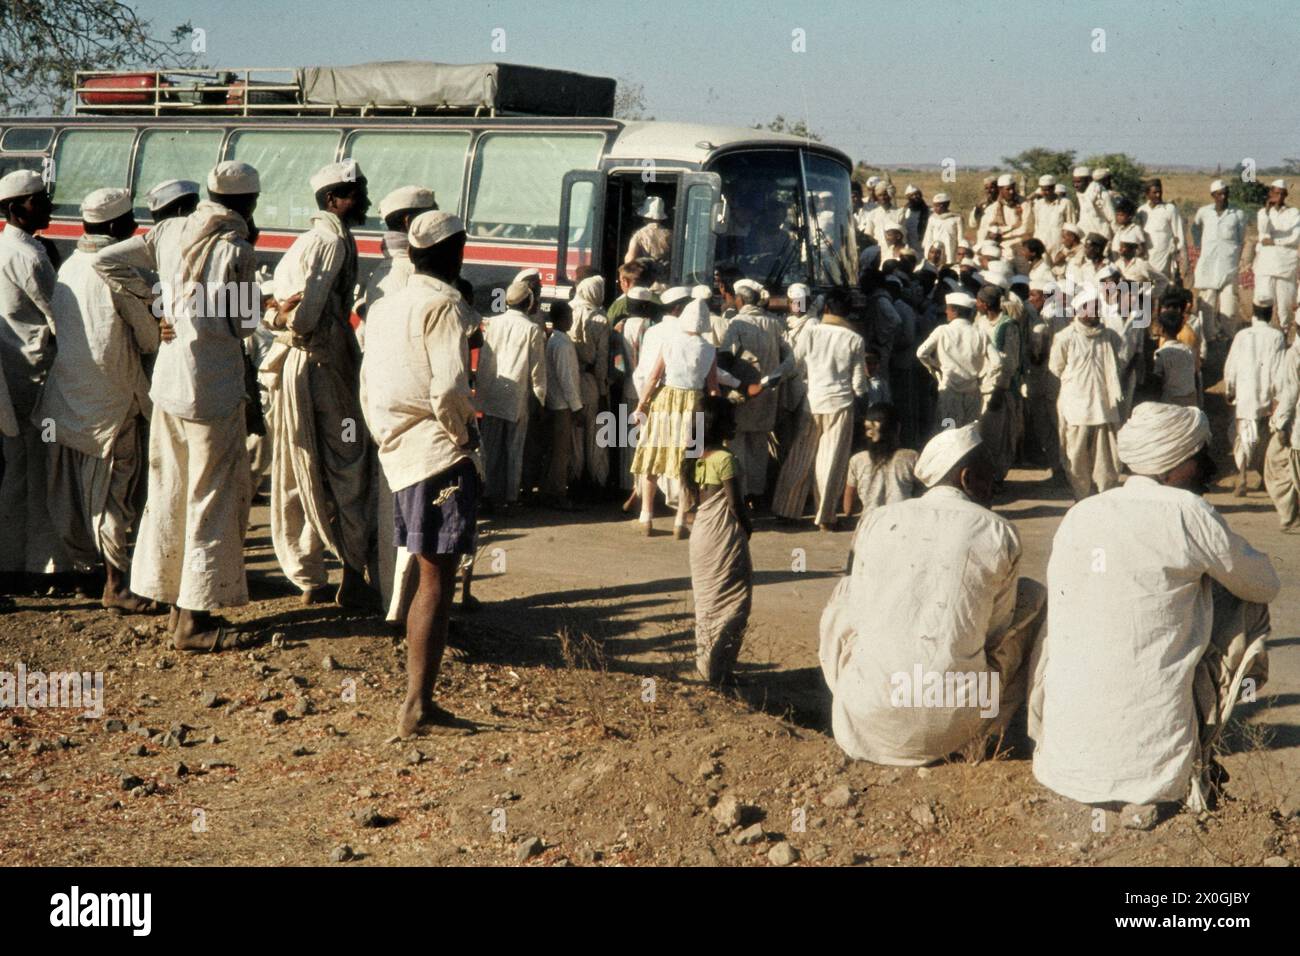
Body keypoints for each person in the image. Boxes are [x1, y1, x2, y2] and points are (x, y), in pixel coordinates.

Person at [1031, 402, 1280, 813]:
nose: (1208, 465)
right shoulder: (1188, 512)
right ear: (1171, 468)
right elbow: (1264, 583)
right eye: (1199, 457)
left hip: (1065, 766)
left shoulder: (1082, 512)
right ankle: (1197, 751)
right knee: (1248, 606)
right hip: (1154, 774)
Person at [820, 423, 1046, 766]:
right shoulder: (999, 531)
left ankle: (855, 690)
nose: (995, 486)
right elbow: (995, 633)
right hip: (956, 725)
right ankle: (992, 731)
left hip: (867, 718)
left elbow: (862, 613)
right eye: (990, 477)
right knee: (1034, 598)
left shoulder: (878, 520)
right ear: (967, 478)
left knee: (847, 593)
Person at [126, 161, 263, 651]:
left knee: (169, 493)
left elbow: (108, 261)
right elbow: (246, 325)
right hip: (213, 391)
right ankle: (193, 622)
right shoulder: (236, 249)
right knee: (210, 500)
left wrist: (157, 307)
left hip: (169, 384)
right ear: (248, 203)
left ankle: (171, 605)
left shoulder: (168, 232)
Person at [360, 211, 482, 736]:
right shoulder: (446, 304)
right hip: (438, 454)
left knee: (423, 573)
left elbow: (371, 387)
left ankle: (419, 700)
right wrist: (465, 438)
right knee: (437, 577)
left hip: (400, 452)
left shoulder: (386, 307)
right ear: (454, 253)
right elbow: (451, 389)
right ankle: (417, 706)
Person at [37, 187, 159, 614]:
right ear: (114, 228)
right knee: (114, 496)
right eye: (128, 226)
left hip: (70, 399)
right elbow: (147, 340)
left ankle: (91, 577)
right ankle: (116, 586)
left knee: (79, 494)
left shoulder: (69, 267)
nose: (133, 232)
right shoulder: (118, 272)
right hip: (114, 402)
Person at [263, 160, 376, 608]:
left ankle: (311, 578)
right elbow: (304, 317)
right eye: (357, 191)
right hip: (321, 365)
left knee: (300, 469)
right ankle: (351, 574)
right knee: (347, 466)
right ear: (334, 199)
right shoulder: (330, 242)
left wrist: (276, 316)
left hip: (303, 365)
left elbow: (279, 305)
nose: (364, 198)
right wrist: (285, 320)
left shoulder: (311, 240)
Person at [0, 168, 66, 587]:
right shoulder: (28, 255)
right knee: (46, 465)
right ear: (14, 209)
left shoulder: (9, 247)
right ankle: (44, 564)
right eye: (37, 201)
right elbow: (59, 317)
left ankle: (12, 561)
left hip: (15, 378)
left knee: (18, 469)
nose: (45, 207)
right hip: (40, 383)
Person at [770, 287, 869, 529]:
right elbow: (859, 383)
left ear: (825, 308)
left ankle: (786, 510)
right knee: (831, 460)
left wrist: (771, 379)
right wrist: (865, 404)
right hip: (841, 404)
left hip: (812, 402)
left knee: (799, 457)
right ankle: (825, 516)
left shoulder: (812, 332)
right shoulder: (855, 339)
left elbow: (792, 363)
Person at [633, 299, 723, 536]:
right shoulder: (709, 349)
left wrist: (641, 405)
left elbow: (653, 377)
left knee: (653, 457)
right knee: (687, 462)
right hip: (694, 402)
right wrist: (717, 414)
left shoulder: (670, 342)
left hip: (665, 400)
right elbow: (713, 387)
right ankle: (680, 521)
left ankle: (646, 515)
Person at [682, 394, 752, 683]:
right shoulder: (725, 459)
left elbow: (690, 507)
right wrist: (747, 529)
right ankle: (720, 671)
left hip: (701, 535)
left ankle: (706, 667)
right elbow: (735, 506)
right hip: (722, 535)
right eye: (730, 420)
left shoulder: (692, 455)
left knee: (708, 603)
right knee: (735, 599)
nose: (735, 425)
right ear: (717, 425)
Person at [475, 279, 547, 511]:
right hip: (516, 396)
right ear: (529, 302)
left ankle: (487, 493)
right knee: (514, 450)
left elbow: (485, 359)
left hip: (491, 394)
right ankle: (510, 498)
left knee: (491, 448)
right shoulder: (531, 329)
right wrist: (540, 396)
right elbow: (537, 369)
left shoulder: (493, 323)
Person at [1049, 288, 1124, 499]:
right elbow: (1056, 368)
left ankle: (1103, 495)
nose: (1097, 312)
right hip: (1076, 406)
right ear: (1080, 310)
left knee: (1105, 456)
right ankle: (1080, 496)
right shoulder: (1065, 337)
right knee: (1076, 454)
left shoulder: (1109, 337)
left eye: (1098, 308)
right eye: (1092, 308)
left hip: (1103, 405)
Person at [720, 279, 791, 503]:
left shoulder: (737, 323)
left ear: (740, 300)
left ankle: (739, 493)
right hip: (768, 392)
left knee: (738, 442)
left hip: (742, 392)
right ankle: (756, 493)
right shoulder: (774, 323)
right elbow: (788, 357)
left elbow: (725, 356)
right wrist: (772, 379)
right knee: (759, 444)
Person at [1223, 296, 1285, 495]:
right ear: (1271, 313)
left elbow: (1231, 366)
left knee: (1243, 435)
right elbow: (1278, 367)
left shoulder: (1243, 335)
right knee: (1264, 438)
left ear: (1254, 313)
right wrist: (1277, 395)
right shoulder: (1277, 337)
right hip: (1267, 393)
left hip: (1245, 393)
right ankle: (1263, 477)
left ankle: (1242, 475)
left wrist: (1229, 389)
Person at [915, 290, 999, 429]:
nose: (946, 312)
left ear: (954, 311)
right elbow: (997, 363)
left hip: (949, 393)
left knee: (948, 431)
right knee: (969, 434)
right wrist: (985, 380)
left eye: (947, 309)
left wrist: (936, 367)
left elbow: (921, 353)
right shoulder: (980, 333)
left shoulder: (942, 331)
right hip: (972, 393)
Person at [841, 401, 917, 539]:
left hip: (869, 529)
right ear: (897, 428)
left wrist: (850, 514)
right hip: (902, 527)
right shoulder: (911, 457)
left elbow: (848, 506)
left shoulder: (857, 460)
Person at [568, 274, 610, 490]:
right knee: (595, 436)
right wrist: (603, 392)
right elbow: (602, 362)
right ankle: (596, 481)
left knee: (575, 434)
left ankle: (574, 479)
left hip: (569, 382)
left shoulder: (569, 311)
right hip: (591, 383)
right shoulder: (601, 320)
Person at [1193, 179, 1248, 344]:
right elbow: (1195, 228)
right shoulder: (1204, 212)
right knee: (1206, 307)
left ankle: (1229, 339)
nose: (1223, 197)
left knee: (1229, 308)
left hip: (1228, 267)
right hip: (1208, 267)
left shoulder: (1237, 215)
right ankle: (1207, 340)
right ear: (1213, 195)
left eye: (1225, 193)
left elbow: (1241, 238)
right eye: (1219, 194)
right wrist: (1198, 245)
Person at [541, 300, 582, 510]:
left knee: (555, 451)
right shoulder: (562, 344)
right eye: (570, 316)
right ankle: (558, 494)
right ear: (563, 318)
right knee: (561, 454)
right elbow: (567, 379)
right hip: (562, 406)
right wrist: (577, 407)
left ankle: (551, 491)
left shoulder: (554, 340)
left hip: (555, 402)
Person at [1264, 331, 1300, 531]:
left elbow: (1291, 393)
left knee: (1279, 469)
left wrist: (1281, 424)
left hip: (1296, 429)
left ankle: (1289, 518)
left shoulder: (1294, 354)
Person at [1254, 179, 1300, 327]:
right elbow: (1263, 233)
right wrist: (1267, 210)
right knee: (1262, 300)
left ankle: (1284, 333)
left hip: (1285, 265)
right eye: (1276, 193)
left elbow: (1295, 237)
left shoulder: (1294, 213)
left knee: (1285, 306)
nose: (1279, 197)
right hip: (1266, 265)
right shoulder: (1263, 212)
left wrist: (1275, 242)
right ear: (1270, 193)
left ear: (1286, 195)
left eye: (1282, 193)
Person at [1136, 178, 1186, 282]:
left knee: (1162, 285)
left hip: (1164, 257)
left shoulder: (1169, 209)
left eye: (1160, 192)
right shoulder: (1141, 211)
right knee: (1146, 286)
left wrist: (1181, 257)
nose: (1158, 195)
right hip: (1146, 256)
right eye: (1154, 193)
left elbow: (1179, 235)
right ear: (1147, 193)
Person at [1151, 309, 1199, 408]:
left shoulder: (1161, 354)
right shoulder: (1188, 350)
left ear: (1162, 329)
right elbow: (1193, 374)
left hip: (1171, 400)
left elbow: (1157, 382)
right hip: (1189, 397)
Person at [625, 195, 672, 273]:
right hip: (665, 279)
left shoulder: (638, 235)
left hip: (646, 279)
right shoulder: (671, 235)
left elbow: (630, 260)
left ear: (645, 217)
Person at [1031, 174, 1075, 257]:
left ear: (1054, 188)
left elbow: (1072, 229)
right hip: (1042, 251)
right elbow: (1037, 227)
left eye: (1048, 190)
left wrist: (1065, 252)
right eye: (1043, 190)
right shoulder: (1038, 205)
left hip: (1060, 251)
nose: (1046, 193)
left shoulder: (1065, 203)